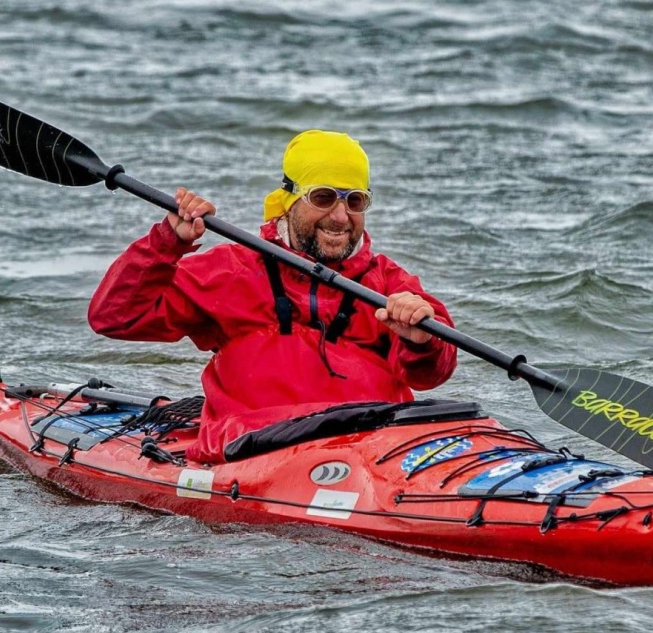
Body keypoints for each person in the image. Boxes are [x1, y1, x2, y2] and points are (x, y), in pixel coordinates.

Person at [88, 130, 457, 462]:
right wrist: (168, 241)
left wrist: (424, 340)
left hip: (374, 452)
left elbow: (432, 374)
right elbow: (115, 316)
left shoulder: (389, 283)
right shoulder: (231, 271)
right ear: (288, 200)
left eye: (356, 201)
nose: (342, 217)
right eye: (324, 197)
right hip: (253, 452)